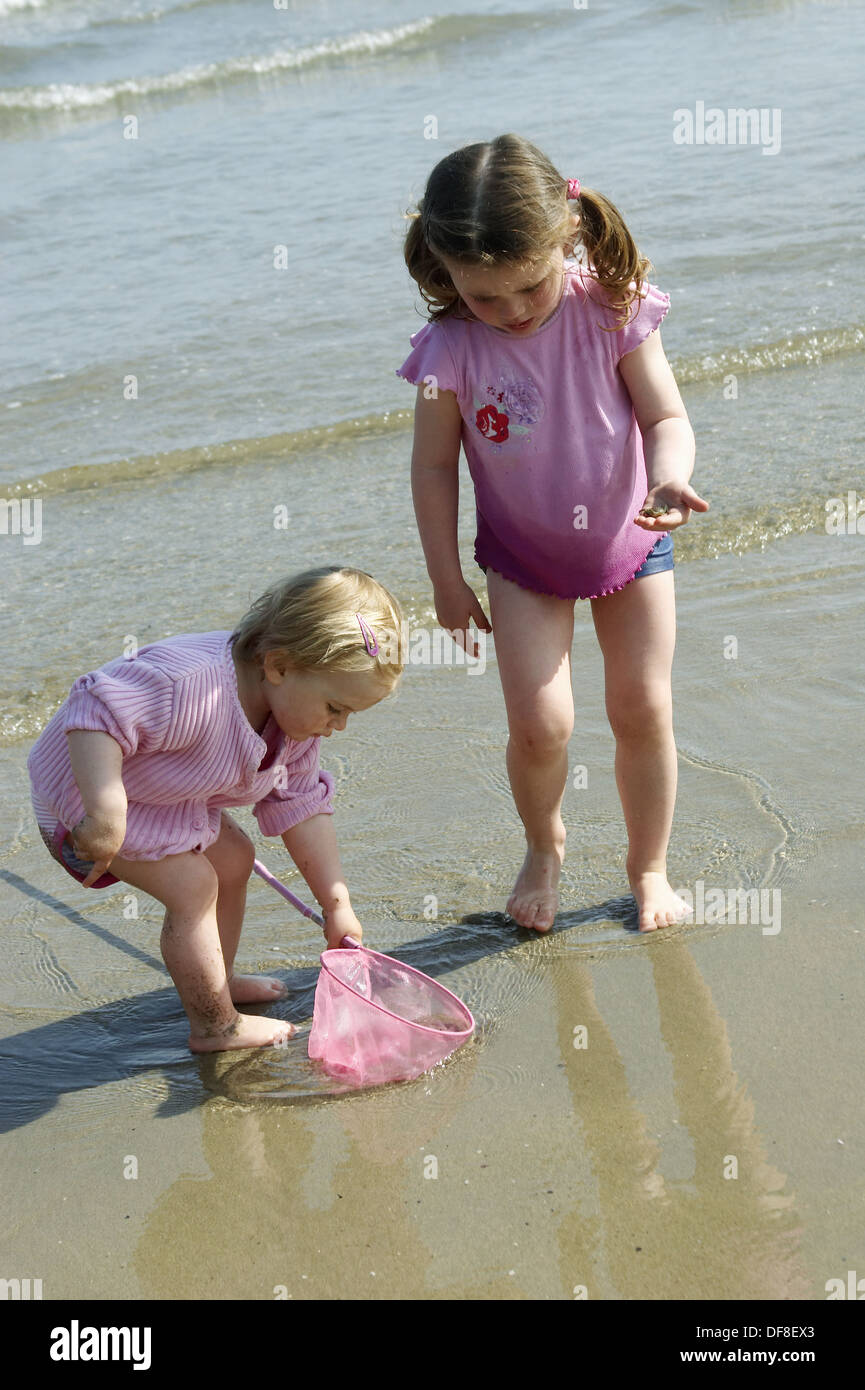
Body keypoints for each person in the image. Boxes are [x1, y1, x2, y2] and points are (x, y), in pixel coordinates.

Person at [397, 133, 708, 934]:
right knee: (541, 726)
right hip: (522, 559)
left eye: (528, 287)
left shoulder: (612, 306)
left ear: (563, 236)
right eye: (483, 295)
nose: (511, 311)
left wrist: (670, 474)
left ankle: (648, 868)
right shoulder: (448, 349)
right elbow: (434, 469)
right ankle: (544, 845)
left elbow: (664, 415)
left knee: (642, 706)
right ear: (443, 269)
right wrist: (443, 579)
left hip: (632, 538)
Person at [27, 566, 403, 1051]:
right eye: (335, 708)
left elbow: (302, 804)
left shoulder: (294, 723)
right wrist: (105, 811)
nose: (340, 725)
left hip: (160, 793)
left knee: (234, 860)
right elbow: (93, 708)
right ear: (279, 665)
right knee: (194, 885)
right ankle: (214, 1025)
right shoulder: (190, 684)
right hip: (84, 797)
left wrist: (338, 905)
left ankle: (216, 981)